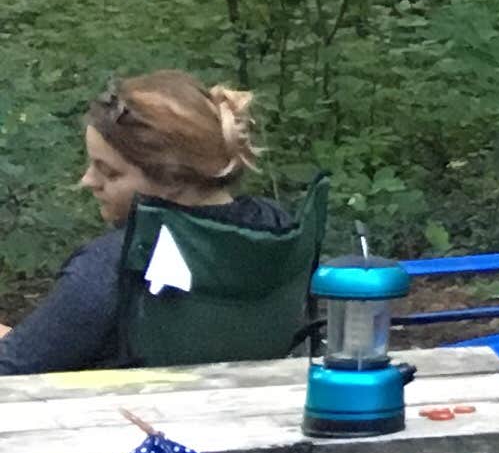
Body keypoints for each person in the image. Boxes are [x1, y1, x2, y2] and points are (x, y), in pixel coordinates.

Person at [0, 74, 297, 377]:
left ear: (173, 179)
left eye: (110, 172)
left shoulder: (116, 263)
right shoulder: (274, 229)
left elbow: (11, 369)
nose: (87, 181)